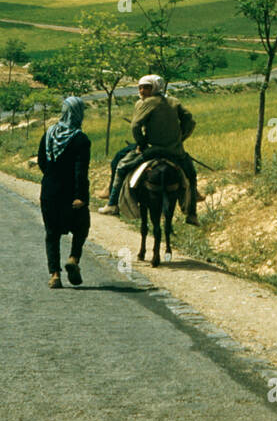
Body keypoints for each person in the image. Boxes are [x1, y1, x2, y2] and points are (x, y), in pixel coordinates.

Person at [99, 75, 199, 224]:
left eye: (147, 87)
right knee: (191, 174)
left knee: (121, 166)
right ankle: (192, 213)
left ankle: (113, 204)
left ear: (155, 88)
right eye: (140, 87)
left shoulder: (144, 103)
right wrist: (180, 138)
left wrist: (141, 143)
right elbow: (190, 122)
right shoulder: (175, 102)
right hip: (174, 151)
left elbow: (135, 126)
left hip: (152, 149)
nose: (142, 90)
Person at [37, 96, 91, 289]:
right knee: (82, 227)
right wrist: (81, 196)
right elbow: (80, 171)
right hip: (71, 192)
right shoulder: (80, 139)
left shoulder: (49, 133)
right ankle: (74, 258)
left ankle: (54, 275)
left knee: (51, 233)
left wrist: (52, 178)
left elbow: (42, 161)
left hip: (49, 190)